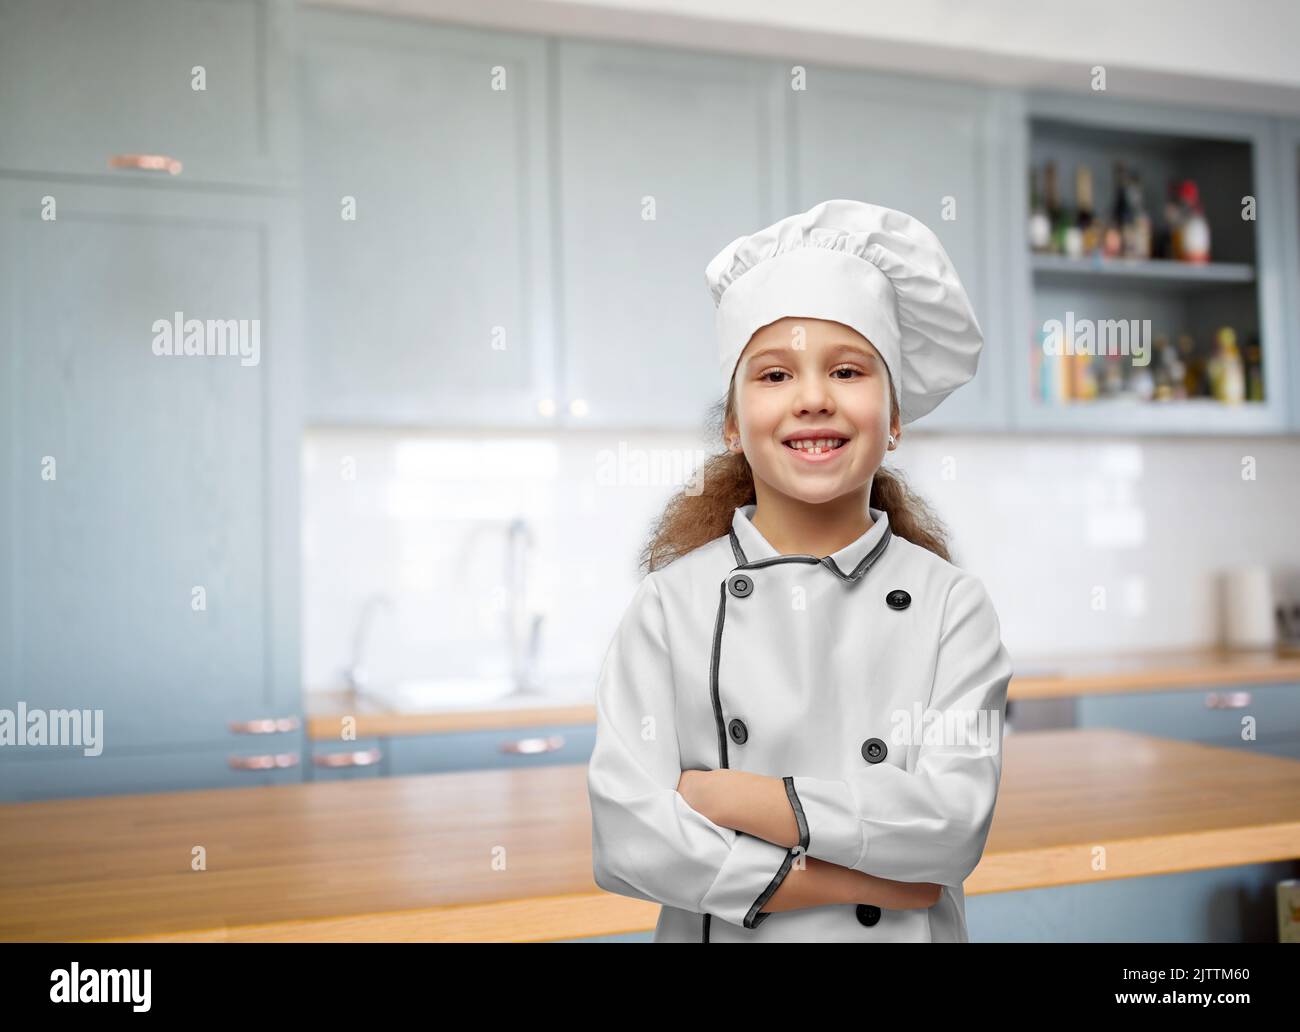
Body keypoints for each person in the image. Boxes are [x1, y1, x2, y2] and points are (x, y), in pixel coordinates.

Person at [586, 200, 1014, 942]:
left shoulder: (953, 607)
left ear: (895, 416)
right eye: (775, 374)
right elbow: (629, 834)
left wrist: (734, 798)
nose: (813, 398)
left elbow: (954, 826)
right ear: (732, 422)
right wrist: (854, 877)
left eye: (847, 371)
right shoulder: (669, 607)